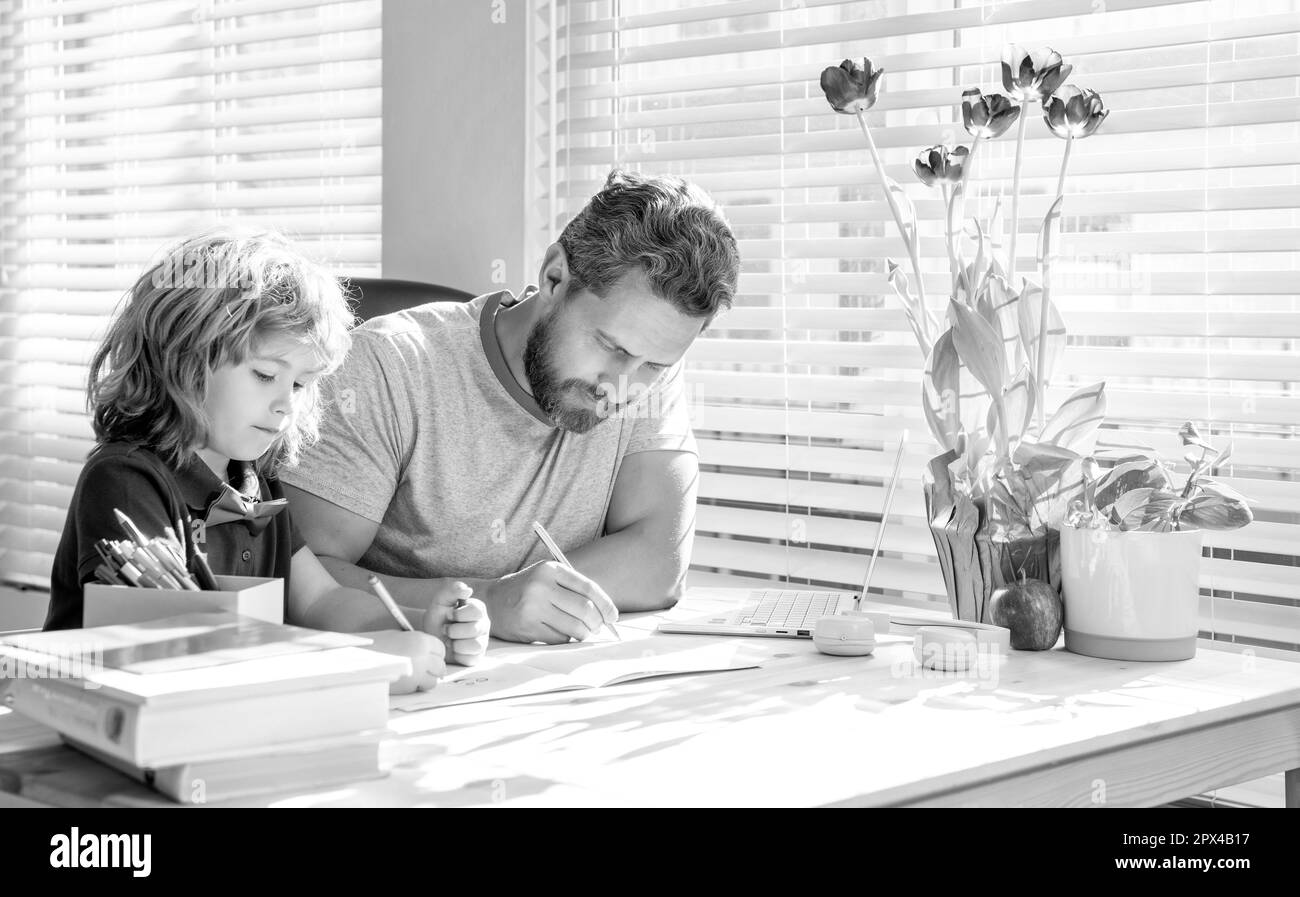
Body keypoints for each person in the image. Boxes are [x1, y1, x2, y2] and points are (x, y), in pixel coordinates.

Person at [282, 170, 741, 644]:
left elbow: (658, 564)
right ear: (554, 277)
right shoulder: (388, 365)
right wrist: (487, 602)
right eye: (612, 348)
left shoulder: (645, 368)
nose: (621, 389)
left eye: (655, 366)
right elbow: (296, 575)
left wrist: (526, 599)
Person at [47, 230, 490, 693]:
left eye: (299, 385)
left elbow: (321, 600)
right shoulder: (125, 481)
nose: (286, 405)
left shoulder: (253, 484)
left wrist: (417, 626)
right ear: (184, 358)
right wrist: (361, 668)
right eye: (265, 375)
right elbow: (176, 648)